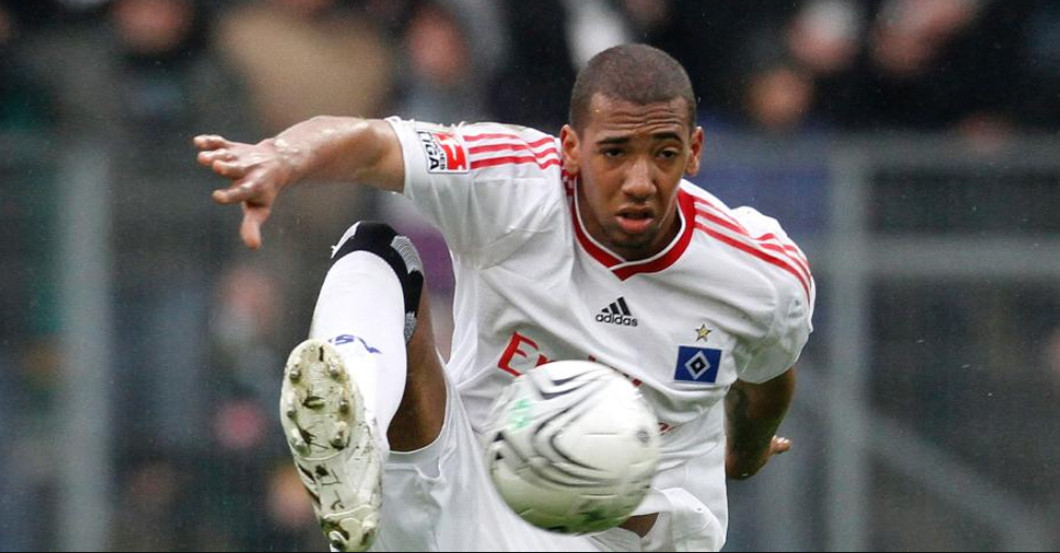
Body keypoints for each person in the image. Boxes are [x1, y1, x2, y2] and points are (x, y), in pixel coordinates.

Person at [195, 44, 814, 552]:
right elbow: (373, 144)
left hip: (624, 532)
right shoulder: (512, 182)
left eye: (665, 154)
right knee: (377, 250)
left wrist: (747, 450)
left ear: (695, 152)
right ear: (571, 148)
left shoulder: (762, 274)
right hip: (466, 478)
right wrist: (282, 156)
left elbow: (771, 376)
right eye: (615, 153)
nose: (640, 181)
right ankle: (354, 427)